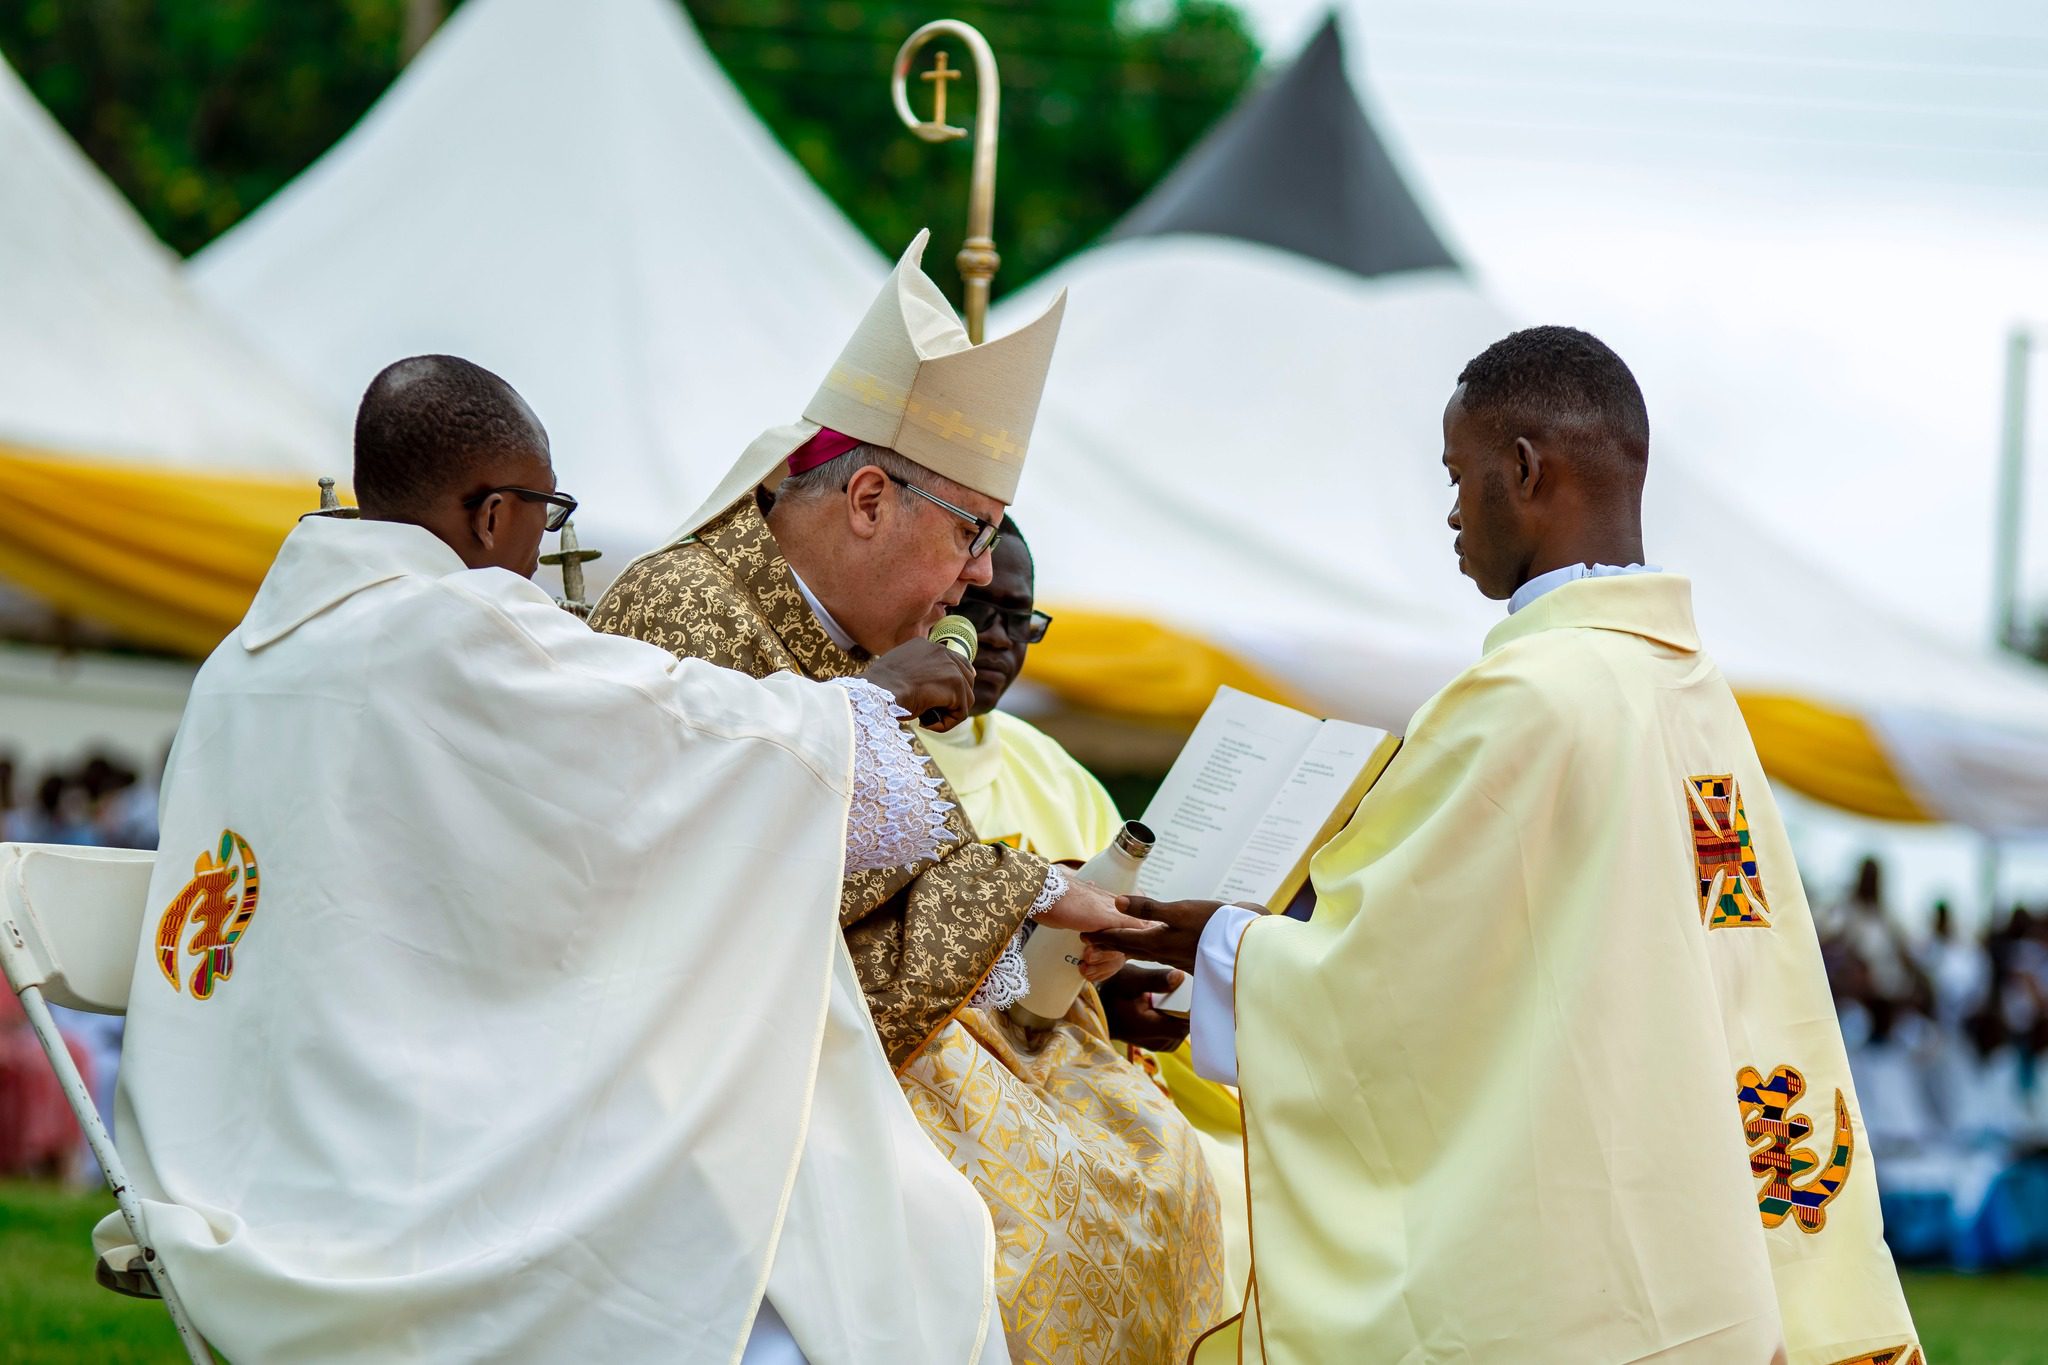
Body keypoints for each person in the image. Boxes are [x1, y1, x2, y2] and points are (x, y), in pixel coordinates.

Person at [108, 355, 1017, 1364]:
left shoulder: (240, 668)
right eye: (547, 509)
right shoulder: (455, 628)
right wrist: (860, 703)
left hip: (242, 1153)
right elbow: (671, 731)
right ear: (494, 510)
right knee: (828, 1245)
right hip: (417, 1164)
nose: (546, 547)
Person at [1094, 327, 1922, 1363]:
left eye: (1458, 474)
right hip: (1713, 1217)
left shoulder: (1528, 698)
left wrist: (1219, 951)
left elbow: (1386, 984)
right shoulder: (1692, 693)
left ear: (1522, 469)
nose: (1449, 510)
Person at [591, 235, 1215, 1362]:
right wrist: (873, 730)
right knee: (1018, 1233)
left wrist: (1042, 915)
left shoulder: (855, 638)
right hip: (715, 1087)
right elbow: (722, 904)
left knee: (1147, 1162)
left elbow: (883, 883)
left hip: (836, 1046)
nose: (982, 575)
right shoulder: (686, 611)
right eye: (971, 529)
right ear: (868, 497)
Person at [915, 517, 1233, 1350]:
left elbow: (1111, 964)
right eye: (973, 606)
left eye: (1018, 619)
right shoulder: (861, 741)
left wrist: (1136, 1002)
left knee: (1215, 1189)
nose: (991, 638)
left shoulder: (1055, 773)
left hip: (1074, 1099)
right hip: (929, 1113)